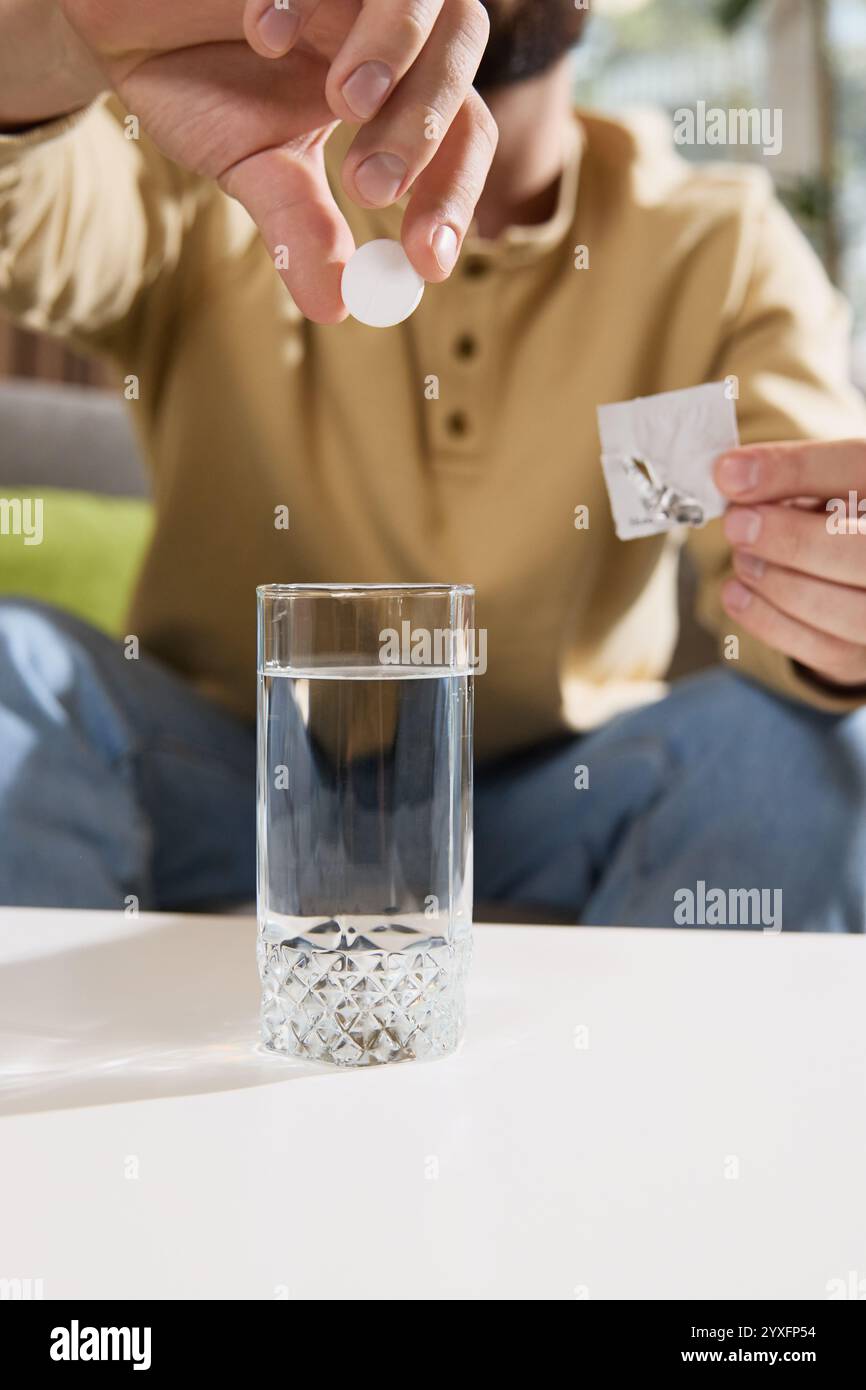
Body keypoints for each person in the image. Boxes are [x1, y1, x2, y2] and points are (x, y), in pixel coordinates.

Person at [1, 0, 865, 928]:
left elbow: (781, 569)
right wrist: (49, 41)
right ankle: (61, 1071)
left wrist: (835, 601)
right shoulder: (210, 157)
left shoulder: (711, 251)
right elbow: (25, 219)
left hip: (562, 792)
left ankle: (643, 1079)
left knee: (801, 749)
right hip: (231, 770)